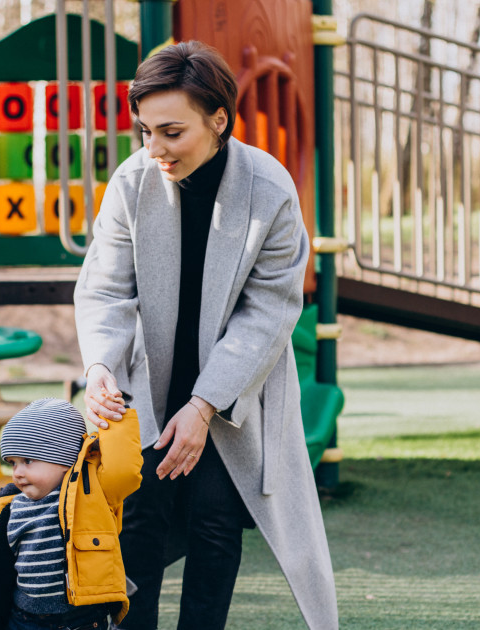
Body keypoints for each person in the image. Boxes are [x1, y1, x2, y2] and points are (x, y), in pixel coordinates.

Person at [74, 41, 338, 630]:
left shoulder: (270, 190)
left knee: (216, 519)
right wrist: (100, 368)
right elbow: (106, 289)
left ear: (218, 120)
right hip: (149, 379)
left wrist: (204, 405)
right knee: (136, 517)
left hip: (235, 390)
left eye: (171, 132)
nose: (154, 149)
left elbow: (267, 313)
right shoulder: (130, 181)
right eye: (144, 131)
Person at [0, 398, 142, 629]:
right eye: (12, 463)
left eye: (28, 461)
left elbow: (125, 470)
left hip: (80, 619)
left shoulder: (92, 495)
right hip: (24, 618)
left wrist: (114, 416)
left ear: (64, 458)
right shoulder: (11, 505)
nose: (18, 473)